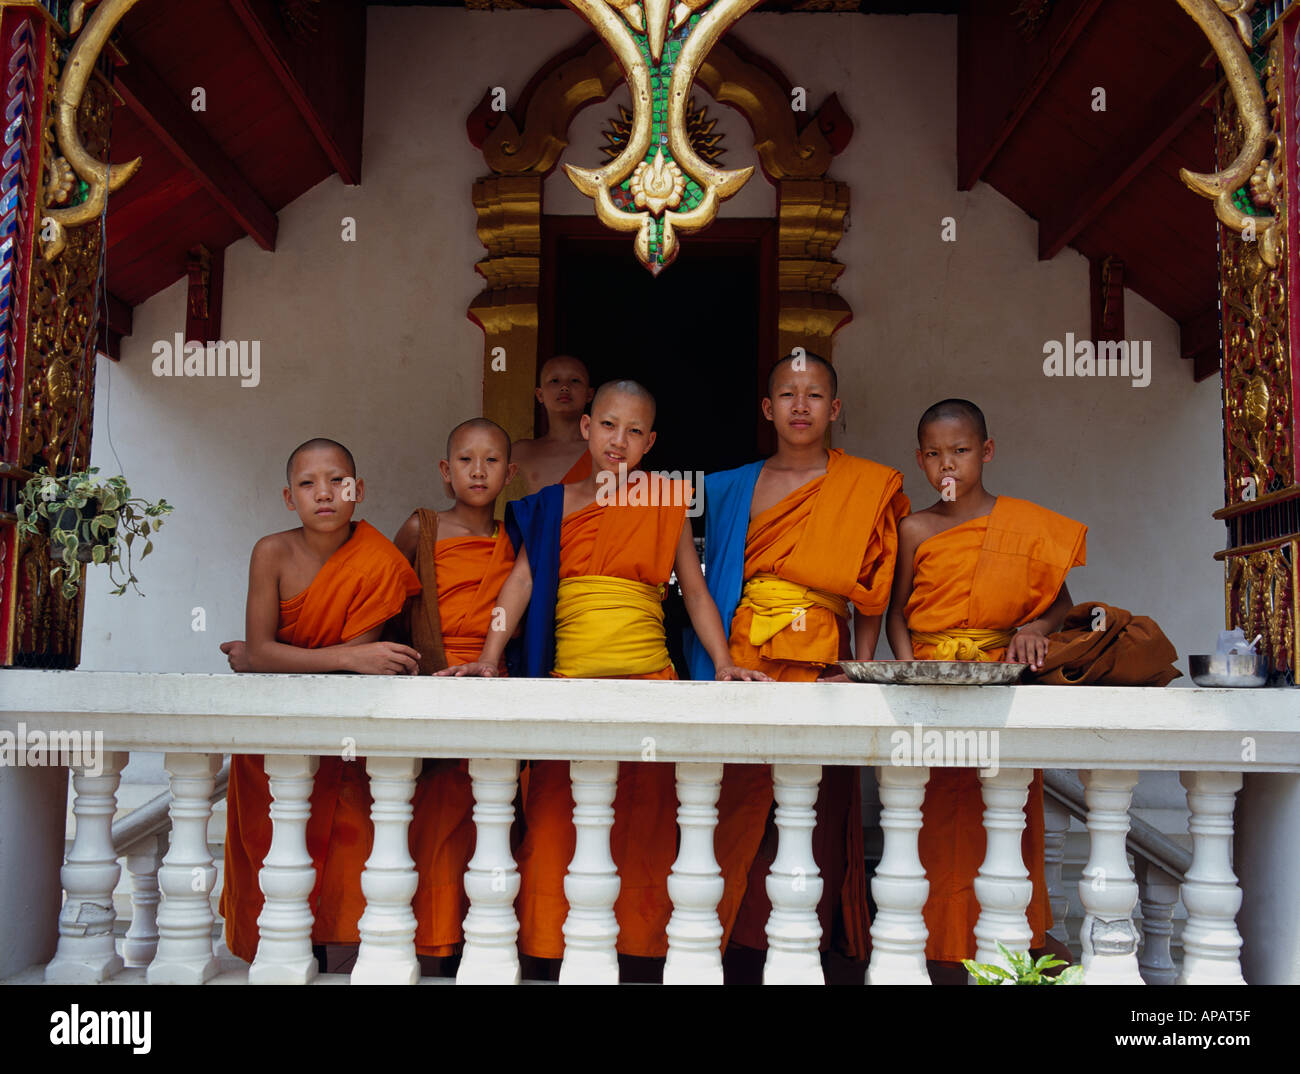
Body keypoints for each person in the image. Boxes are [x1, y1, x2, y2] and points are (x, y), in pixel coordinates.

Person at [442, 379, 768, 971]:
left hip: (650, 684)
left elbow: (692, 590)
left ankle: (640, 954)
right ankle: (546, 949)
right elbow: (521, 583)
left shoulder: (664, 501)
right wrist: (490, 657)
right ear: (587, 428)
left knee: (644, 830)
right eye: (610, 425)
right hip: (568, 683)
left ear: (651, 442)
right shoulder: (551, 505)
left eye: (636, 430)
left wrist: (724, 664)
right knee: (554, 824)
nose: (621, 440)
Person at [688, 351, 909, 970]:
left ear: (834, 408)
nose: (801, 406)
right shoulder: (729, 486)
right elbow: (697, 581)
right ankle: (726, 943)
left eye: (814, 395)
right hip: (745, 656)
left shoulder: (867, 485)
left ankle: (803, 944)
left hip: (824, 663)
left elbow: (877, 587)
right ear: (767, 408)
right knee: (732, 799)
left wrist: (860, 668)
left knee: (812, 805)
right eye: (788, 394)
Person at [885, 398, 1086, 980]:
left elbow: (1063, 608)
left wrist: (1033, 628)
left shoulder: (1024, 525)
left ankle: (1007, 953)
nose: (948, 466)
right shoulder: (915, 528)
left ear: (987, 452)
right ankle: (936, 950)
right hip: (930, 686)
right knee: (929, 821)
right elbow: (898, 613)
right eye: (934, 454)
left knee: (1003, 817)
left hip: (1001, 683)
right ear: (919, 459)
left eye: (961, 451)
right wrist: (909, 669)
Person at [218, 438, 422, 965]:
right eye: (308, 484)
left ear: (359, 490)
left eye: (337, 480)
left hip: (348, 740)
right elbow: (274, 651)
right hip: (276, 737)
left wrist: (275, 656)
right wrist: (338, 658)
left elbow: (343, 662)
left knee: (350, 869)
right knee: (274, 859)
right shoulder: (272, 552)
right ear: (290, 498)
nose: (324, 493)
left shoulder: (379, 559)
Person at [389, 417, 519, 964]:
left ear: (509, 474)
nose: (478, 470)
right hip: (435, 683)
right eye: (465, 460)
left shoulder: (518, 537)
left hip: (496, 686)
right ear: (446, 472)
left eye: (491, 461)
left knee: (497, 821)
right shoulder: (421, 529)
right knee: (438, 822)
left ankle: (492, 947)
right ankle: (437, 944)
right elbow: (394, 610)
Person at [511, 355, 595, 493]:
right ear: (540, 395)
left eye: (575, 380)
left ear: (589, 394)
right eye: (555, 380)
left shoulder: (604, 450)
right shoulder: (523, 452)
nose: (564, 387)